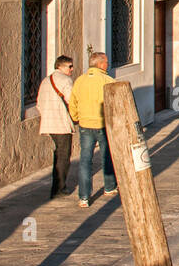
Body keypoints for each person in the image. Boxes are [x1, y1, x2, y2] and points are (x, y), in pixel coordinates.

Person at [69, 52, 118, 207]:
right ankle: (109, 187)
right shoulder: (108, 80)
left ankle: (84, 197)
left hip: (85, 124)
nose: (108, 65)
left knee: (85, 160)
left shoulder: (79, 81)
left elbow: (73, 102)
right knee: (106, 156)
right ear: (100, 64)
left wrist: (76, 117)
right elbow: (114, 104)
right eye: (106, 62)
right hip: (102, 124)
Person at [36, 55, 75, 198]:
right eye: (69, 66)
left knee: (59, 153)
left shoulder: (46, 81)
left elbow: (39, 103)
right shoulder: (66, 80)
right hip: (61, 123)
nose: (71, 69)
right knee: (63, 155)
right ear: (60, 66)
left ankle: (57, 185)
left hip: (48, 122)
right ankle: (59, 187)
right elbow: (71, 100)